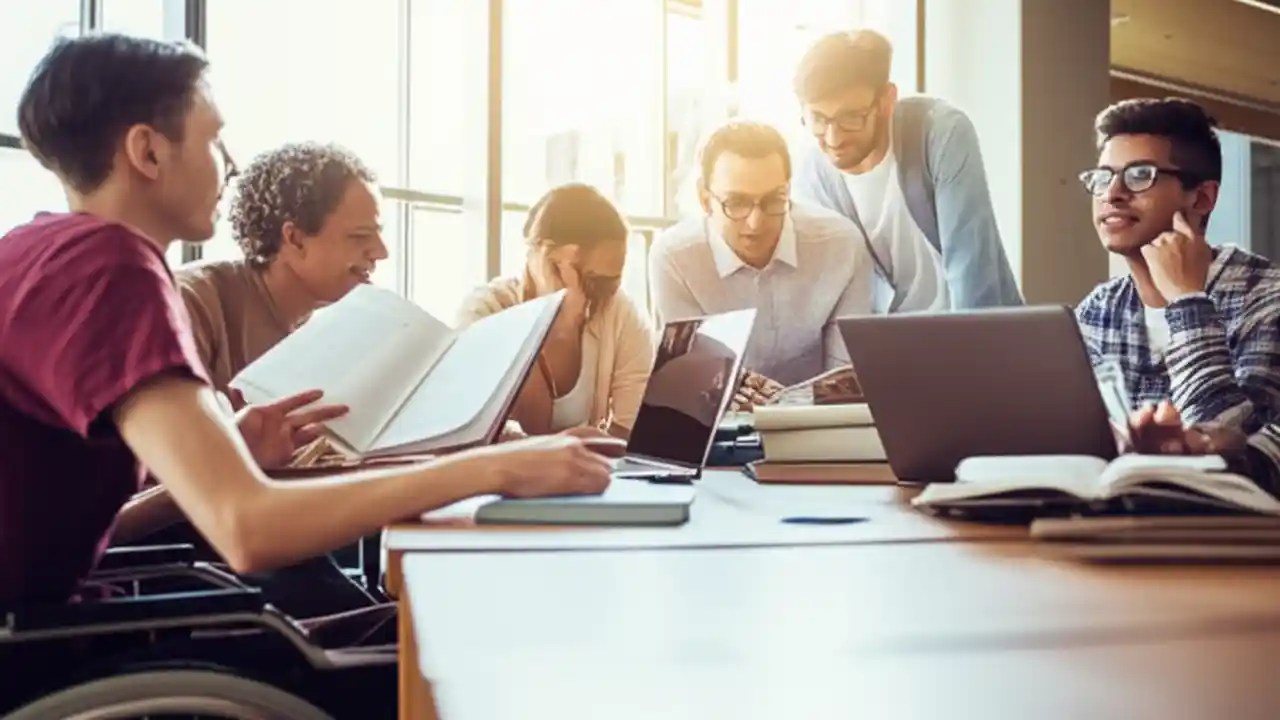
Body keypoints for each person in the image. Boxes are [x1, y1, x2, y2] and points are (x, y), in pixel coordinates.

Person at [0, 31, 614, 625]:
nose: (229, 166)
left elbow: (69, 531)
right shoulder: (113, 267)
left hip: (52, 622)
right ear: (148, 152)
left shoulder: (35, 249)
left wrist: (233, 454)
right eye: (214, 141)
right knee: (459, 644)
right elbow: (246, 528)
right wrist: (496, 468)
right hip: (60, 652)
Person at [1074, 98, 1280, 439]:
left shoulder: (1267, 303)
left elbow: (1228, 444)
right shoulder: (1098, 311)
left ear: (1202, 198)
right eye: (1103, 177)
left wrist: (1187, 301)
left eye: (1140, 175)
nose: (1112, 193)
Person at [790, 29, 1022, 312]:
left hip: (970, 330)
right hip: (892, 338)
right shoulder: (813, 174)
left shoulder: (938, 134)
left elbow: (972, 272)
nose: (833, 138)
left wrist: (968, 341)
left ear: (887, 101)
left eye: (851, 118)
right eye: (818, 118)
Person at [648, 120, 875, 392]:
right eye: (736, 203)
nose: (756, 223)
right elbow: (693, 384)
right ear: (705, 199)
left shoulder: (842, 245)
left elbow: (844, 378)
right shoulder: (674, 259)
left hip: (817, 412)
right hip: (723, 413)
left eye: (773, 200)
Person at [178, 141, 386, 394]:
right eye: (360, 236)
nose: (381, 252)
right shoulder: (187, 305)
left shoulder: (328, 333)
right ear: (295, 239)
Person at [455, 184, 655, 439]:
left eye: (613, 281)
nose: (606, 294)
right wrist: (556, 319)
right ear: (549, 261)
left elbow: (633, 430)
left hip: (592, 465)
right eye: (596, 281)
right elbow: (473, 436)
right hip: (509, 466)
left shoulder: (619, 312)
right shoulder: (483, 313)